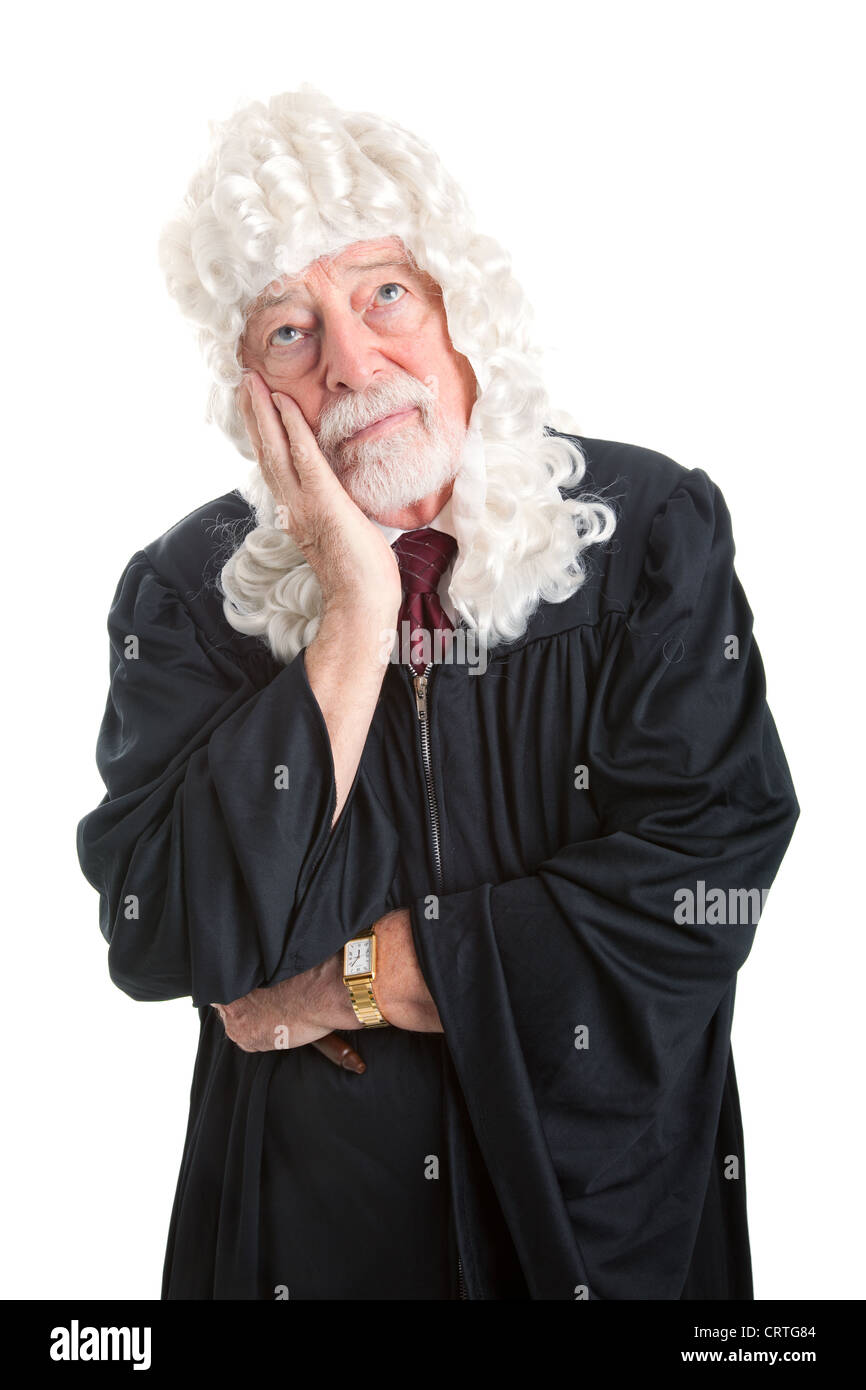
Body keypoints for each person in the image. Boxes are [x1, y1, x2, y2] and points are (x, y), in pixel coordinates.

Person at [76, 85, 799, 1301]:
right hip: (312, 1241)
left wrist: (343, 982)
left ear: (460, 302)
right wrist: (352, 616)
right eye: (290, 332)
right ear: (250, 393)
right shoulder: (188, 600)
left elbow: (701, 882)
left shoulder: (643, 538)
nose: (355, 363)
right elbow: (161, 932)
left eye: (382, 294)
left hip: (601, 1223)